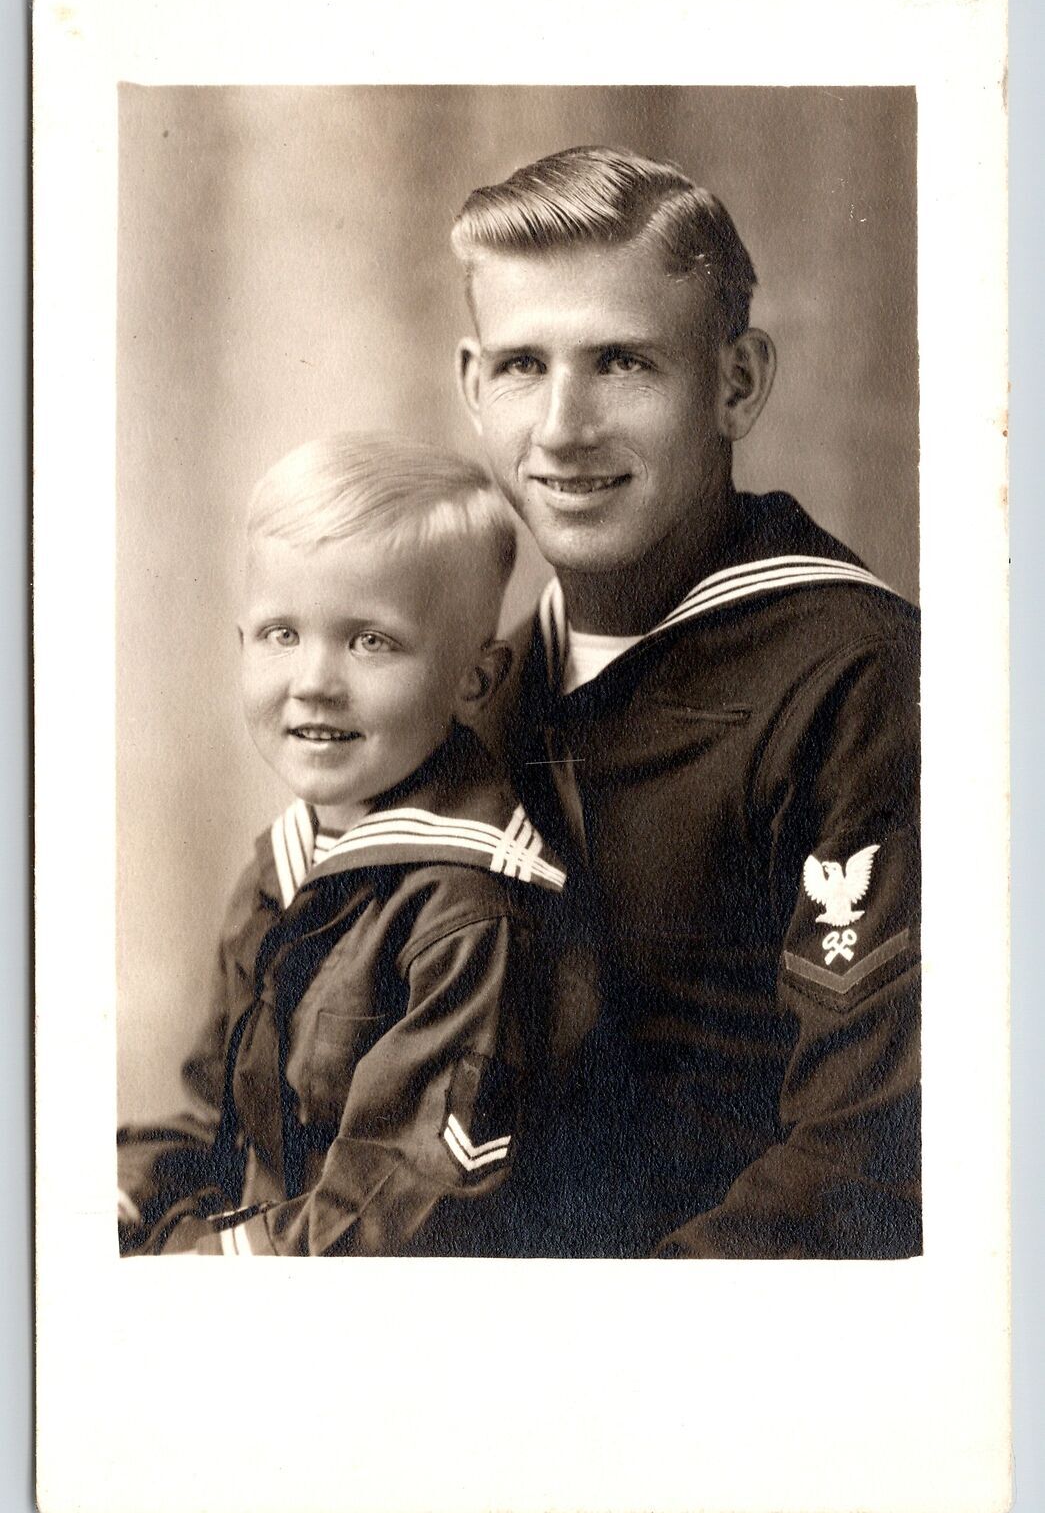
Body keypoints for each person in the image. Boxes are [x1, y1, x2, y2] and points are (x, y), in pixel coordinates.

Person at [452, 145, 921, 1259]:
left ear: (737, 381)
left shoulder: (860, 683)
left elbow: (869, 1160)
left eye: (621, 362)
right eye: (523, 365)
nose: (563, 427)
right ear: (472, 385)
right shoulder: (479, 690)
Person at [117, 432, 568, 1256]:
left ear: (475, 678)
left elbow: (398, 1203)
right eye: (281, 634)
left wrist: (201, 1267)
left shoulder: (466, 911)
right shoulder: (281, 867)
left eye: (371, 641)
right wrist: (117, 1198)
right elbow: (216, 1121)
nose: (314, 679)